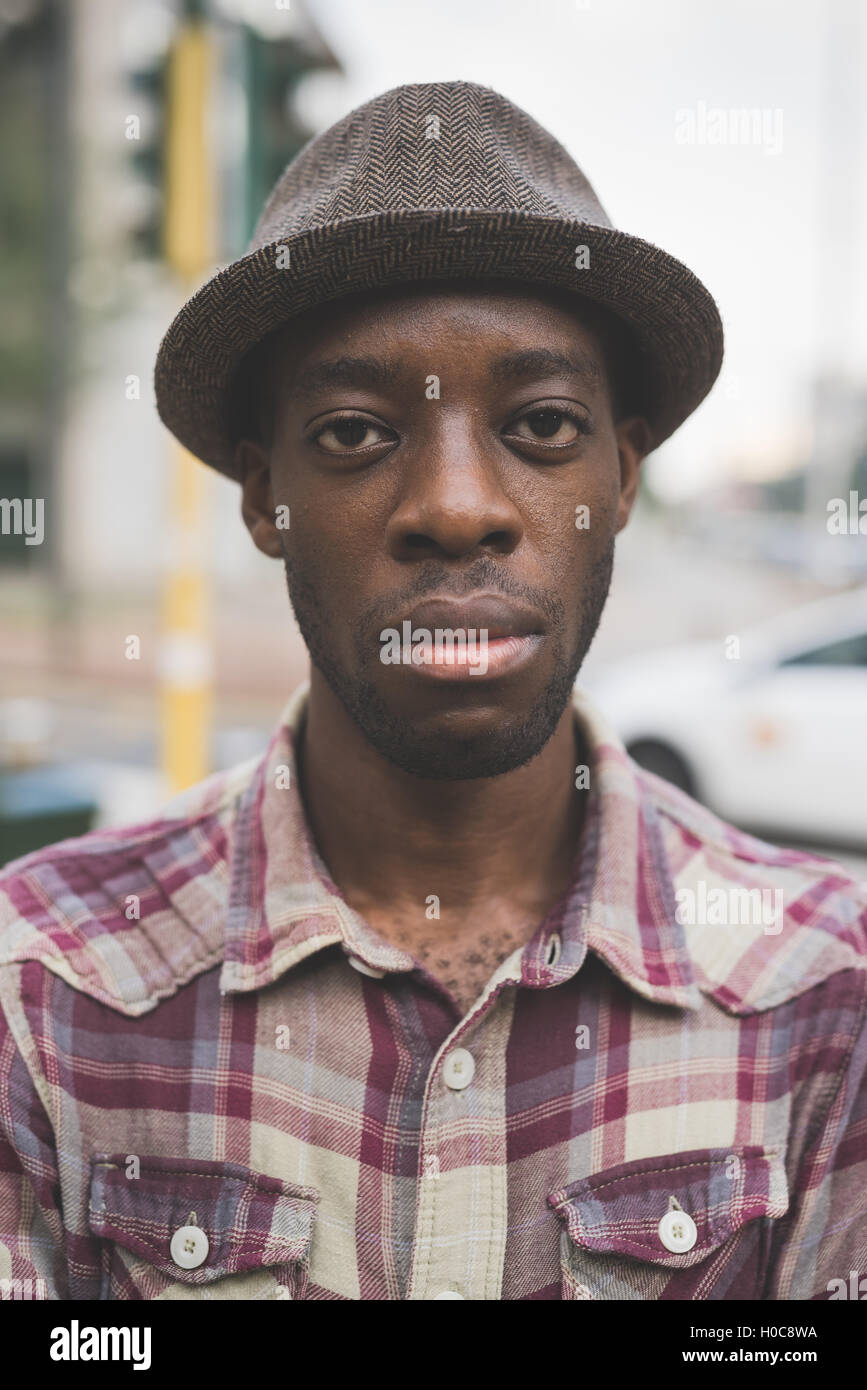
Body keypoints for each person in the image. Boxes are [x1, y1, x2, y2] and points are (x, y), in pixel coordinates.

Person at [0, 81, 864, 1302]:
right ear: (265, 499)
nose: (457, 505)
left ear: (622, 478)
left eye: (543, 424)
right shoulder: (41, 989)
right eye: (356, 433)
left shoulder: (825, 992)